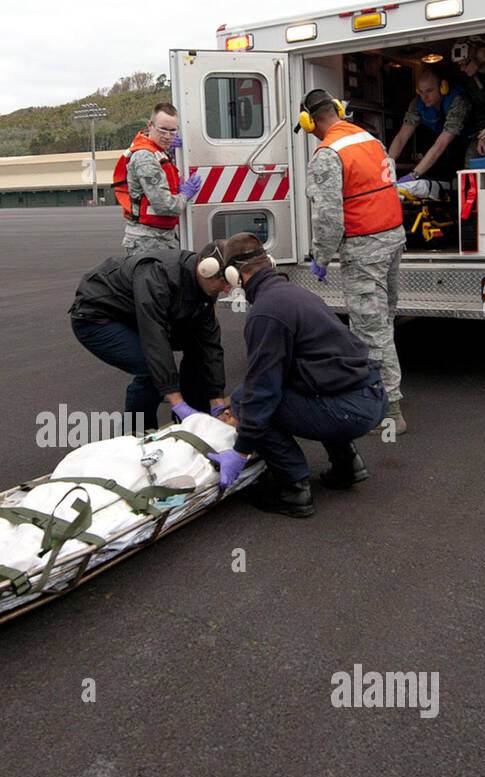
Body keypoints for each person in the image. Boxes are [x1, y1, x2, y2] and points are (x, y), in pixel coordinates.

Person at [204, 233, 389, 517]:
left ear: (234, 275)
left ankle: (294, 488)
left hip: (349, 411)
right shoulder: (297, 294)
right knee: (297, 381)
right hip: (372, 397)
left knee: (244, 398)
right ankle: (347, 465)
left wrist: (240, 451)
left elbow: (262, 390)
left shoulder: (266, 312)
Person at [299, 88, 408, 434]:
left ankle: (389, 411)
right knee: (385, 319)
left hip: (365, 251)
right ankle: (385, 391)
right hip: (393, 239)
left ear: (310, 120)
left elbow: (329, 218)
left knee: (370, 328)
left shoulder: (327, 153)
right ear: (339, 109)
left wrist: (321, 255)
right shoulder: (369, 139)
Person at [69, 242, 233, 431]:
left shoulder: (206, 286)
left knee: (199, 352)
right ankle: (136, 436)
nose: (227, 290)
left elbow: (210, 345)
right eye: (224, 282)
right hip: (98, 318)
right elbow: (154, 337)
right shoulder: (157, 274)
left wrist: (217, 401)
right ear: (205, 269)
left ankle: (194, 426)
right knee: (151, 372)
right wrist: (177, 402)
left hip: (135, 315)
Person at [113, 103, 204, 252]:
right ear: (150, 125)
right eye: (162, 130)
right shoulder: (145, 158)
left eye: (172, 131)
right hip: (147, 242)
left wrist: (169, 153)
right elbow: (166, 206)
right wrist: (184, 195)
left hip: (160, 237)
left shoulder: (158, 152)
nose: (168, 136)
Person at [387, 70, 470, 188]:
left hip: (465, 140)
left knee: (464, 176)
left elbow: (441, 144)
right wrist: (388, 167)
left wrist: (413, 175)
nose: (424, 97)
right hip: (438, 141)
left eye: (429, 91)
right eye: (420, 92)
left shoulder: (458, 101)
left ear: (443, 88)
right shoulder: (417, 104)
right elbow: (402, 137)